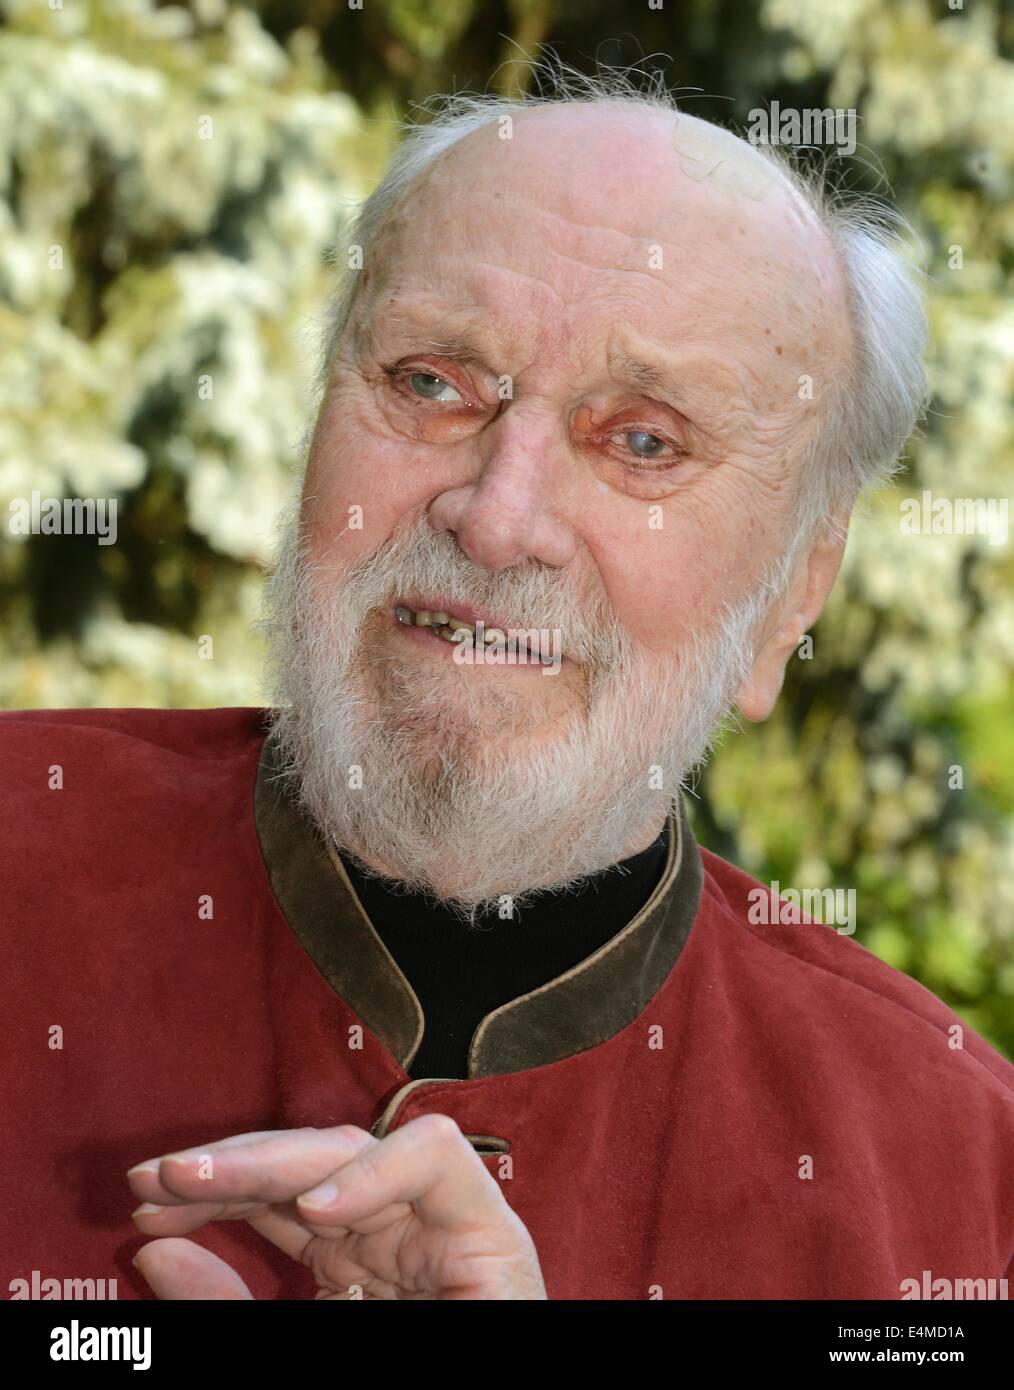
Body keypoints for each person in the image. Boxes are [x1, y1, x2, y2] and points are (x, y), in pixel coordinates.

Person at [3, 70, 1011, 1301]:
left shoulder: (963, 1182)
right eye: (432, 381)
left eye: (644, 440)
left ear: (795, 591)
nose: (497, 517)